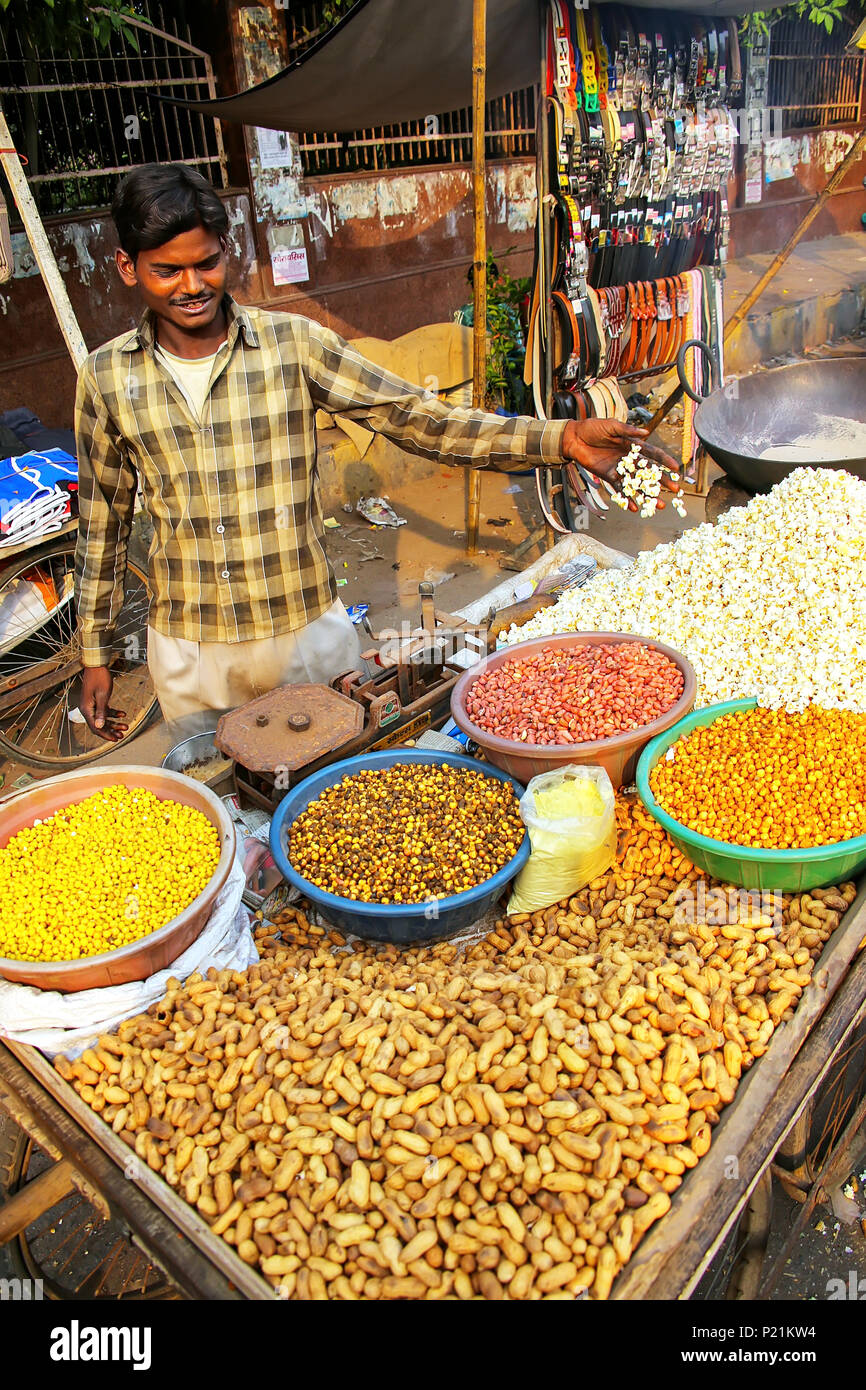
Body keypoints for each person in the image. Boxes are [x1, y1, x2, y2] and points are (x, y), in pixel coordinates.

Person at [75, 163, 678, 740]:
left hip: (304, 636)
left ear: (227, 254)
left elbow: (418, 417)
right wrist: (96, 652)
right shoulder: (105, 378)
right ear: (129, 267)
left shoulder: (292, 345)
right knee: (225, 817)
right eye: (167, 272)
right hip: (191, 653)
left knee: (336, 800)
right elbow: (101, 522)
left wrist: (559, 438)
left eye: (206, 264)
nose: (192, 286)